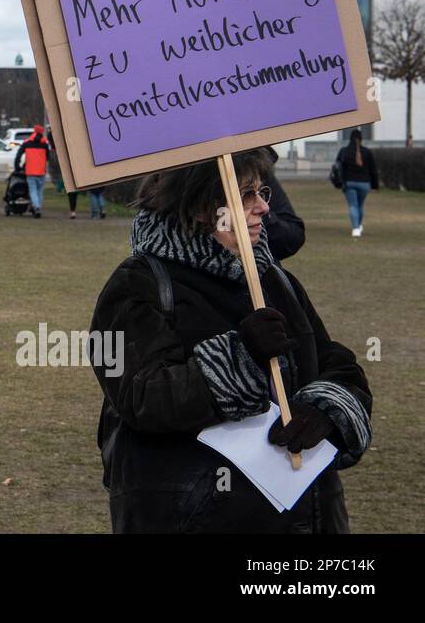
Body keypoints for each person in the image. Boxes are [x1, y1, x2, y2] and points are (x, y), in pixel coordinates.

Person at [90, 150, 371, 533]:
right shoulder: (138, 284)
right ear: (202, 206)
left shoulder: (275, 279)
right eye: (246, 195)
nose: (263, 208)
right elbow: (141, 397)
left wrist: (324, 410)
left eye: (262, 192)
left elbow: (333, 360)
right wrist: (239, 357)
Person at [261, 147, 305, 261]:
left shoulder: (258, 167)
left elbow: (293, 238)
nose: (263, 206)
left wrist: (264, 218)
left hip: (260, 271)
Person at [336, 128, 378, 238]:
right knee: (360, 205)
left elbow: (338, 167)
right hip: (364, 183)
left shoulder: (344, 151)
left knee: (353, 205)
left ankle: (355, 228)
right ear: (361, 139)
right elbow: (373, 169)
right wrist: (375, 185)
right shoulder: (367, 152)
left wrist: (340, 182)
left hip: (349, 183)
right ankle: (359, 225)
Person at [13, 124, 50, 218]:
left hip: (30, 171)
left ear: (34, 132)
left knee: (33, 190)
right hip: (41, 171)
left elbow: (18, 155)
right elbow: (48, 157)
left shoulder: (27, 143)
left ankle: (36, 207)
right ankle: (38, 208)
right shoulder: (45, 144)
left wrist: (17, 166)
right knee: (39, 191)